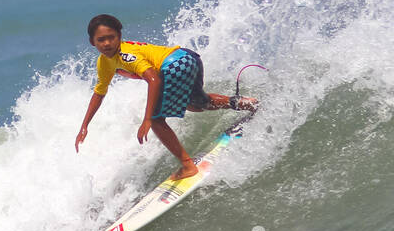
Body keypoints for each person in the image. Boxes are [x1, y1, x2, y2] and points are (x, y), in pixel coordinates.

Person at [74, 14, 257, 181]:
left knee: (156, 121)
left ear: (119, 36)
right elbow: (99, 93)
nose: (107, 43)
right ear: (92, 42)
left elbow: (153, 79)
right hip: (187, 57)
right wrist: (84, 126)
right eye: (101, 40)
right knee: (197, 103)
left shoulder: (126, 55)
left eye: (111, 37)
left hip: (174, 65)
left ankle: (187, 166)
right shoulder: (104, 63)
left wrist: (148, 119)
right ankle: (243, 103)